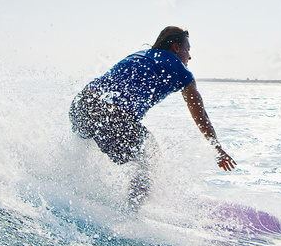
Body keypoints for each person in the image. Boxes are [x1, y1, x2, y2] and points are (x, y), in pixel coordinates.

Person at [69, 26, 236, 210]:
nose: (189, 56)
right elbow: (201, 115)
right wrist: (218, 148)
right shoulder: (183, 73)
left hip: (83, 103)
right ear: (175, 48)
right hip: (112, 115)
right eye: (187, 50)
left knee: (84, 143)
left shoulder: (141, 54)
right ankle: (130, 214)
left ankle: (68, 185)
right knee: (151, 156)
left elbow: (125, 83)